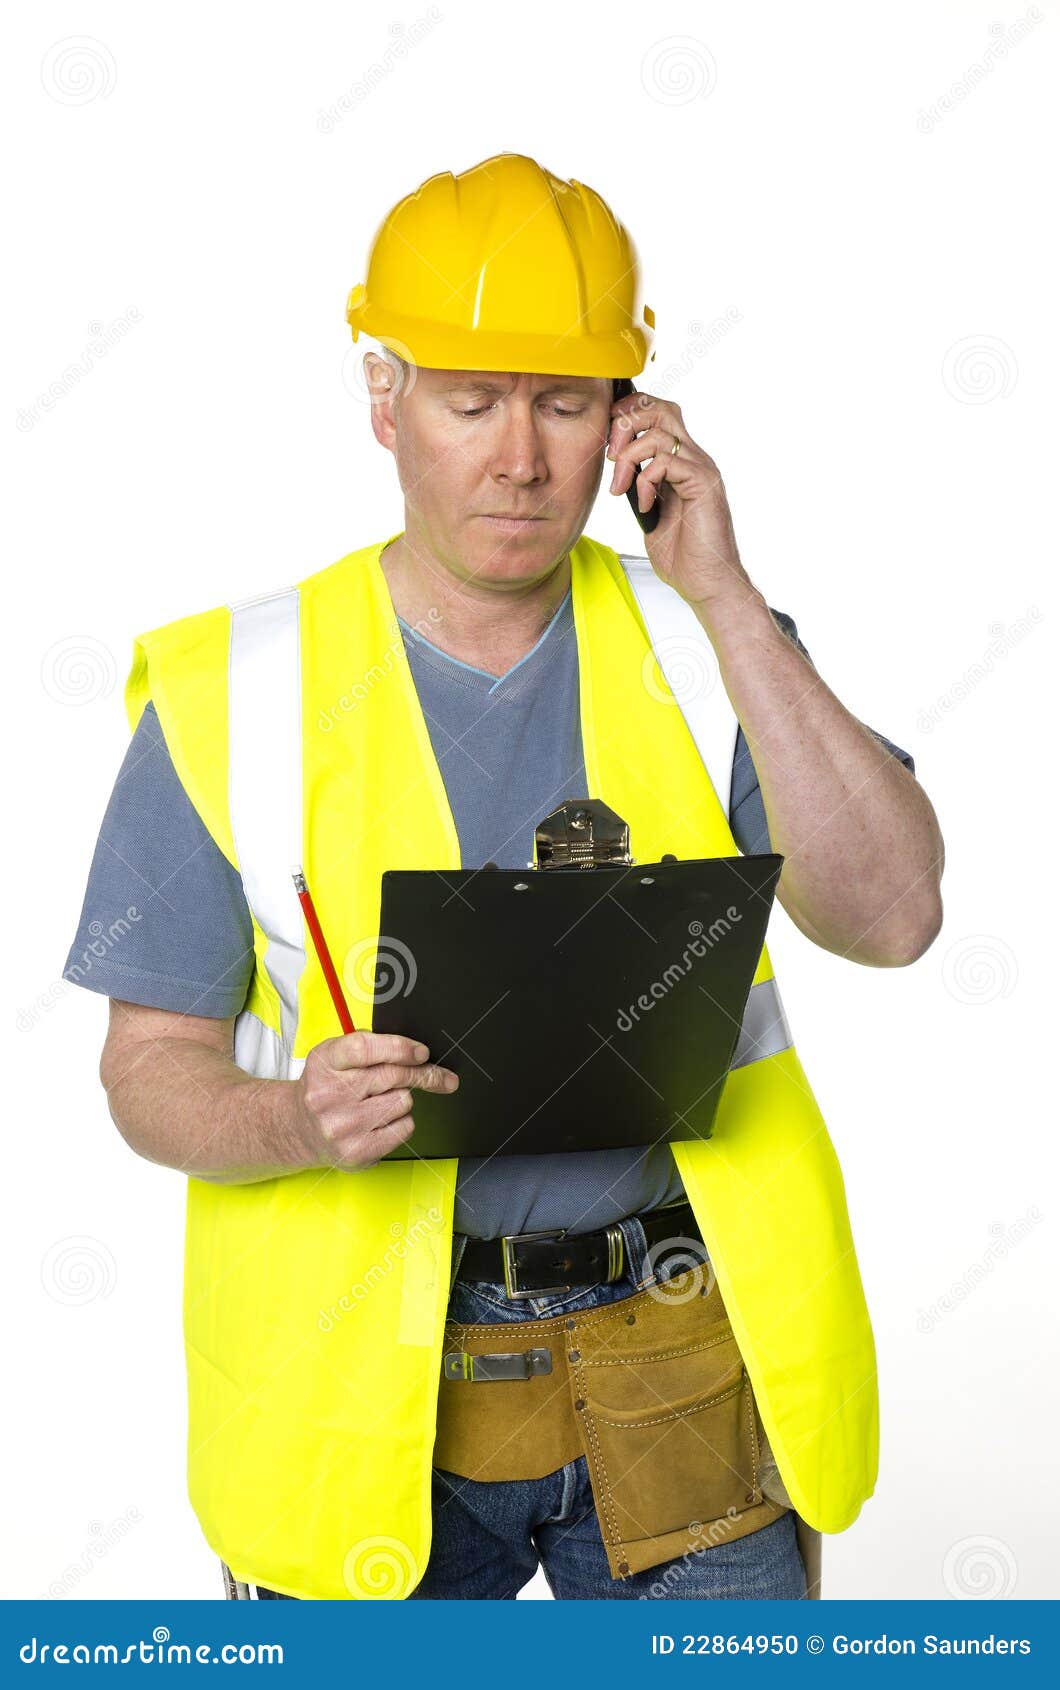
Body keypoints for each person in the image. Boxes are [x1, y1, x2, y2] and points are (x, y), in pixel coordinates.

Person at [63, 153, 945, 1601]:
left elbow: (895, 915)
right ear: (385, 400)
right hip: (370, 1392)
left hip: (683, 1353)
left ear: (628, 419)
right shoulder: (239, 691)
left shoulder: (704, 647)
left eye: (565, 401)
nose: (521, 459)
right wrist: (291, 1115)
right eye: (473, 401)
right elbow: (144, 1068)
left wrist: (726, 595)